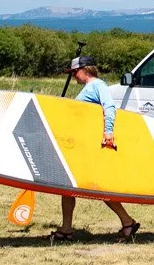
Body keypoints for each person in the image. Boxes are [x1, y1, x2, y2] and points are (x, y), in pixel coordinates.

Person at [50, 56, 141, 244]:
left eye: (75, 72)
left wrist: (109, 132)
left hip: (93, 145)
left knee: (99, 187)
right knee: (68, 187)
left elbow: (109, 107)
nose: (74, 76)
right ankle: (66, 228)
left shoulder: (98, 85)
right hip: (80, 144)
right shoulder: (88, 88)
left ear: (84, 70)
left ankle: (128, 222)